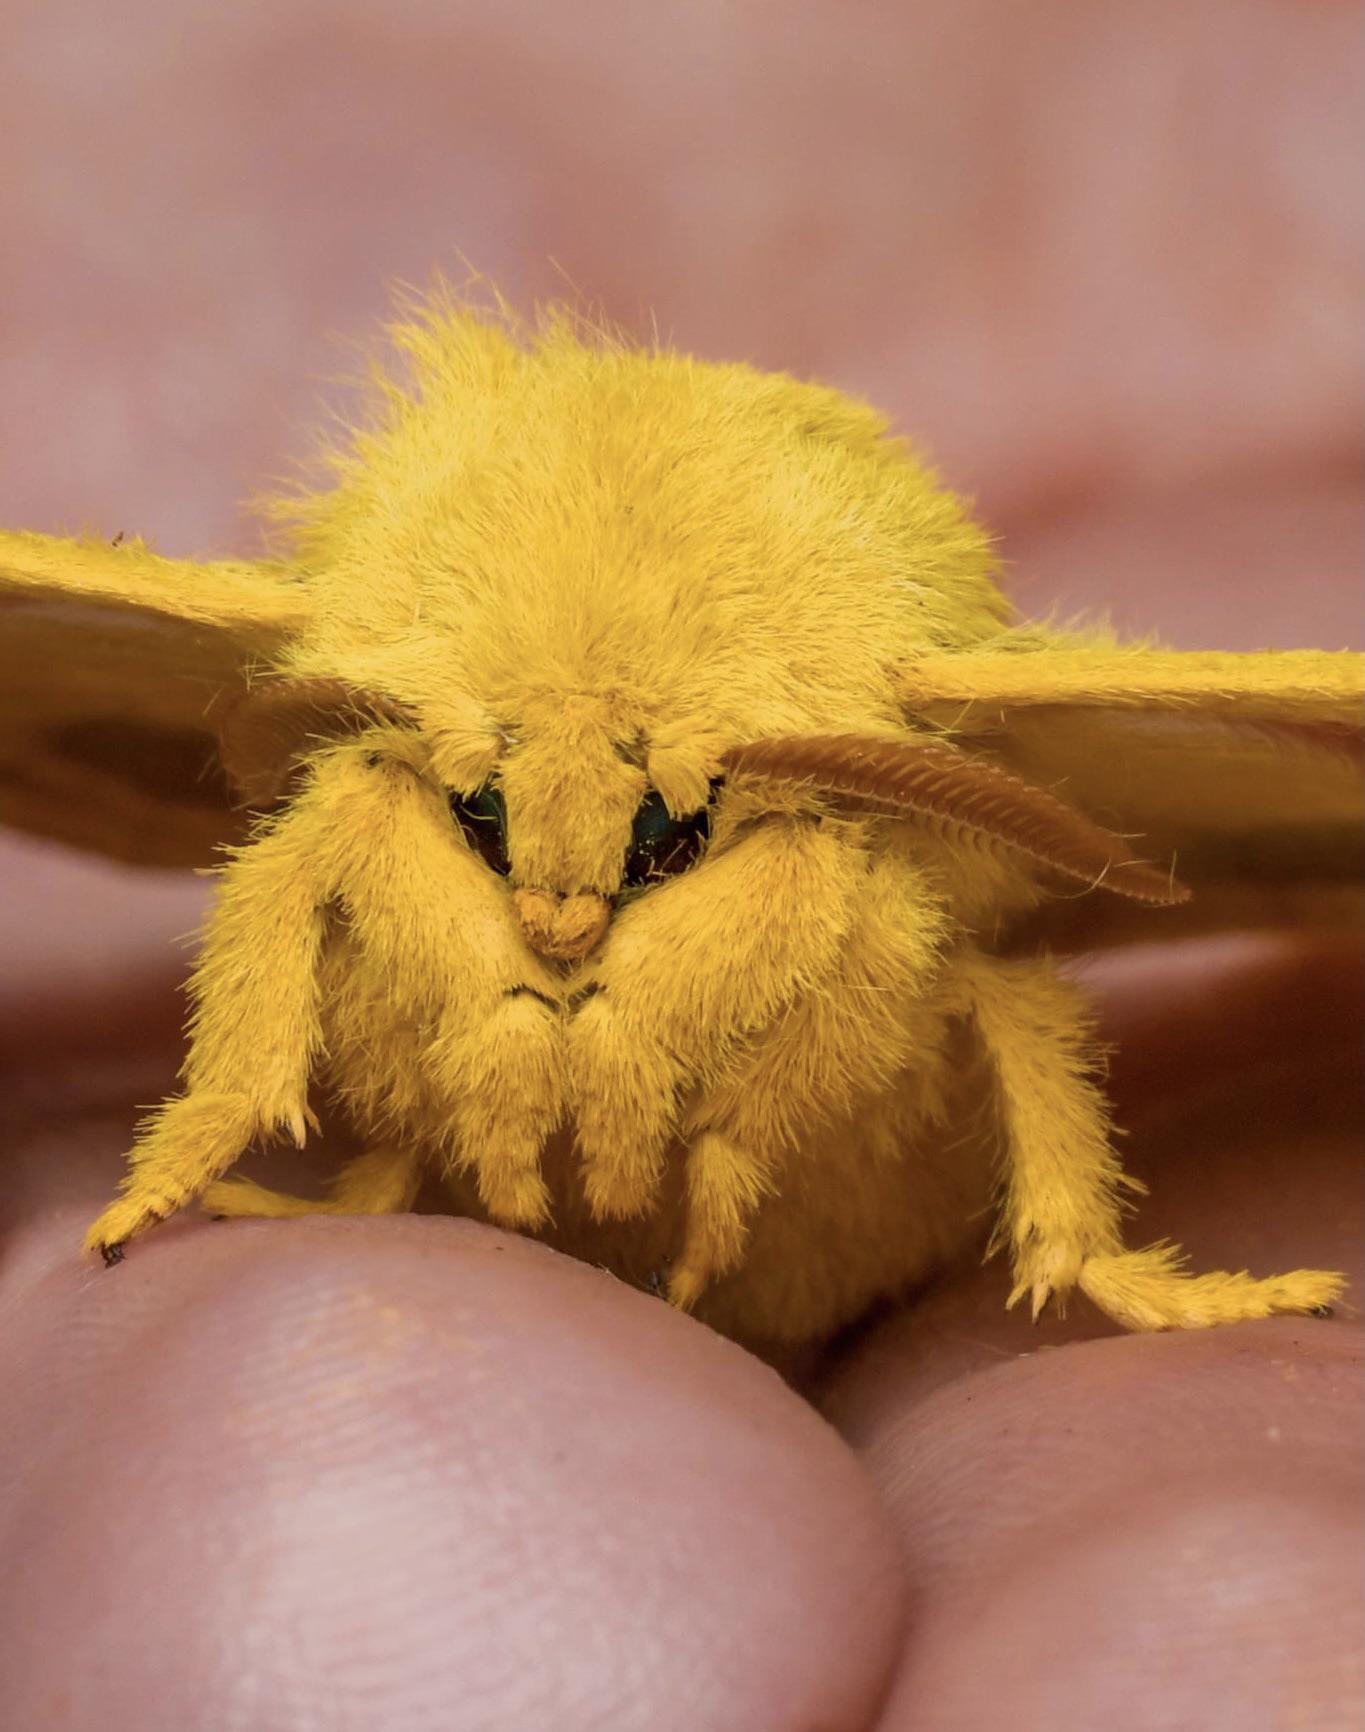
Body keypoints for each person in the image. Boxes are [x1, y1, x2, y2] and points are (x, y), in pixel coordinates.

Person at [1, 4, 1359, 1725]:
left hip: (845, 1209)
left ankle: (1081, 1252)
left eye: (660, 825)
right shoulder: (374, 769)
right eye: (490, 808)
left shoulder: (867, 805)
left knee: (944, 958)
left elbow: (957, 962)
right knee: (347, 813)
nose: (564, 903)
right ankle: (261, 1134)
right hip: (433, 1104)